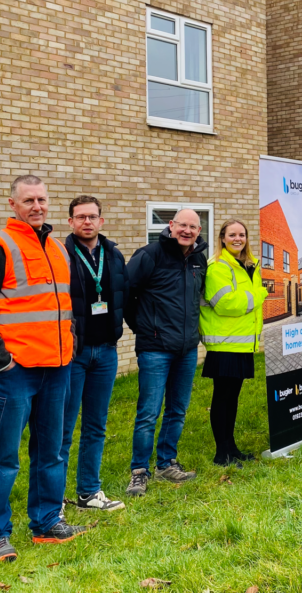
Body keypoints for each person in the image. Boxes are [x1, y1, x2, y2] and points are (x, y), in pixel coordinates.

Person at [0, 175, 86, 566]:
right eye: (28, 200)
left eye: (43, 199)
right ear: (12, 204)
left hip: (58, 367)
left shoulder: (57, 248)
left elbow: (64, 306)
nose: (37, 206)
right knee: (4, 456)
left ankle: (47, 521)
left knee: (51, 450)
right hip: (13, 371)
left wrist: (73, 342)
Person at [124, 208, 206, 496]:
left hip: (186, 349)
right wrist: (144, 329)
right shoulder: (149, 255)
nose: (187, 230)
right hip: (155, 348)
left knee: (177, 409)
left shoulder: (199, 259)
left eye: (193, 227)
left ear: (198, 230)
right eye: (182, 225)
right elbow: (125, 292)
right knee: (148, 412)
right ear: (171, 225)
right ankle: (139, 472)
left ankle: (166, 463)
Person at [60, 196, 128, 512]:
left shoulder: (113, 255)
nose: (87, 222)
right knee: (63, 428)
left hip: (106, 352)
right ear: (71, 222)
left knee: (96, 425)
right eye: (80, 217)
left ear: (101, 221)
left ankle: (88, 492)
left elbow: (126, 295)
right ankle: (53, 500)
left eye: (92, 216)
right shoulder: (60, 255)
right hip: (73, 354)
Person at [199, 219, 268, 466]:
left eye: (242, 234)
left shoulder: (250, 265)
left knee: (232, 398)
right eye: (232, 235)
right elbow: (227, 303)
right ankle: (221, 454)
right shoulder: (217, 266)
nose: (237, 239)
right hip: (224, 343)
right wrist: (260, 294)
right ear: (222, 238)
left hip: (241, 342)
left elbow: (243, 301)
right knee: (222, 397)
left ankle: (231, 447)